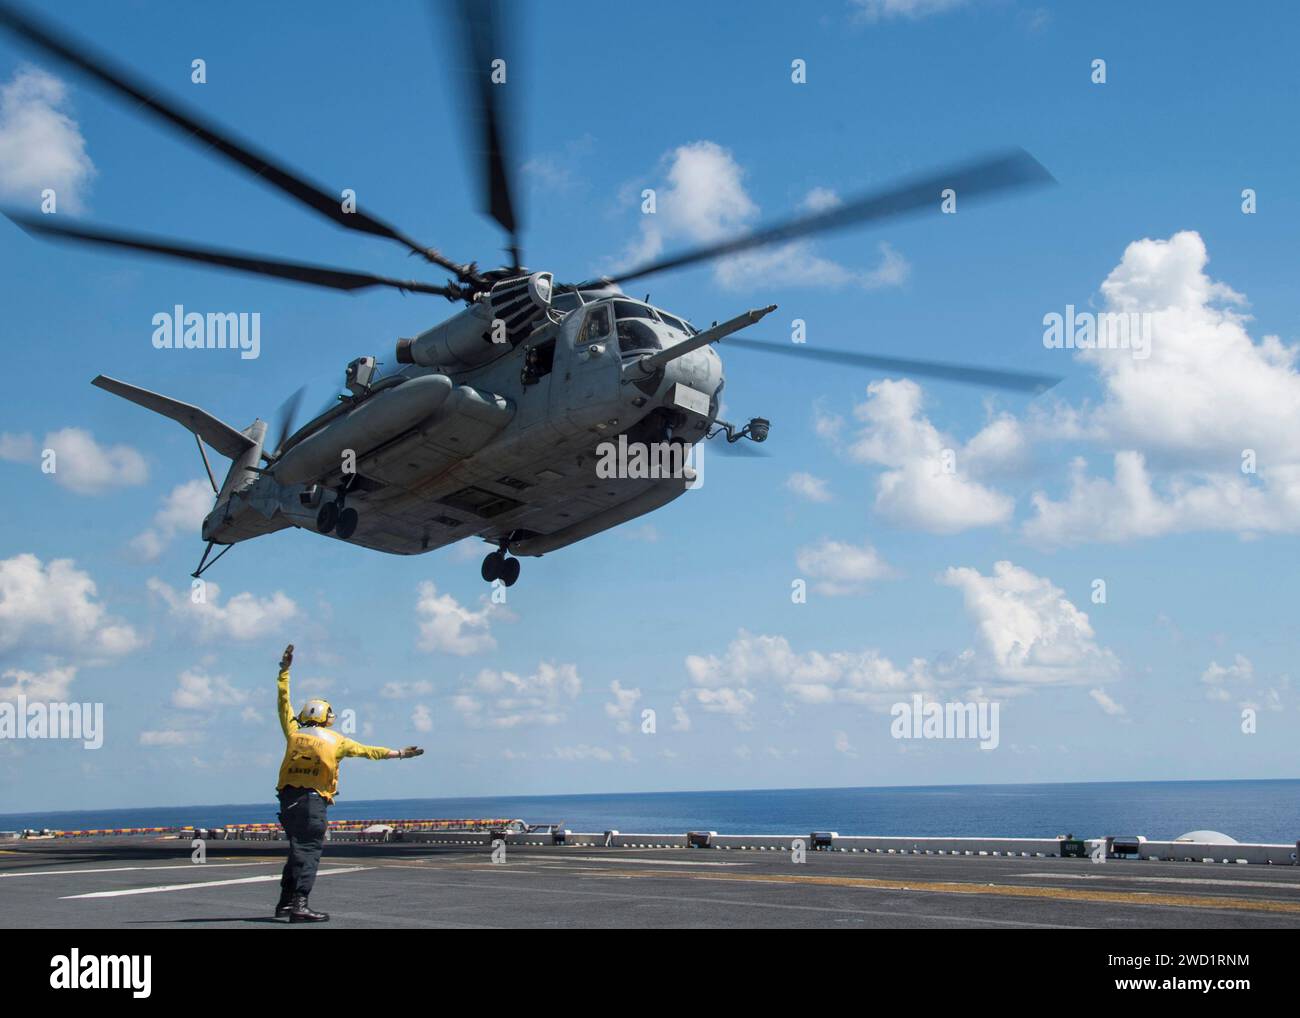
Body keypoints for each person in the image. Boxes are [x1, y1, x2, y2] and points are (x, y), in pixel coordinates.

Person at [274, 643, 424, 922]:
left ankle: (284, 902)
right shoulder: (336, 740)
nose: (332, 717)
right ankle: (300, 904)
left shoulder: (293, 732)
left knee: (297, 849)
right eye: (330, 714)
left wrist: (284, 671)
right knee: (309, 850)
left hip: (287, 800)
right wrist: (401, 753)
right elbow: (370, 751)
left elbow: (283, 702)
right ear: (323, 716)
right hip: (312, 802)